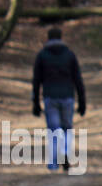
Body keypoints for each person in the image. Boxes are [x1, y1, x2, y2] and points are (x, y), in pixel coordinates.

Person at [31, 27, 86, 172]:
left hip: (50, 97)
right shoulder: (69, 55)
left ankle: (54, 163)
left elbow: (36, 81)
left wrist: (35, 103)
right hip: (67, 96)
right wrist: (82, 101)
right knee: (67, 128)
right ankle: (66, 153)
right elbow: (78, 80)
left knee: (54, 129)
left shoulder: (42, 56)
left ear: (48, 39)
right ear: (61, 38)